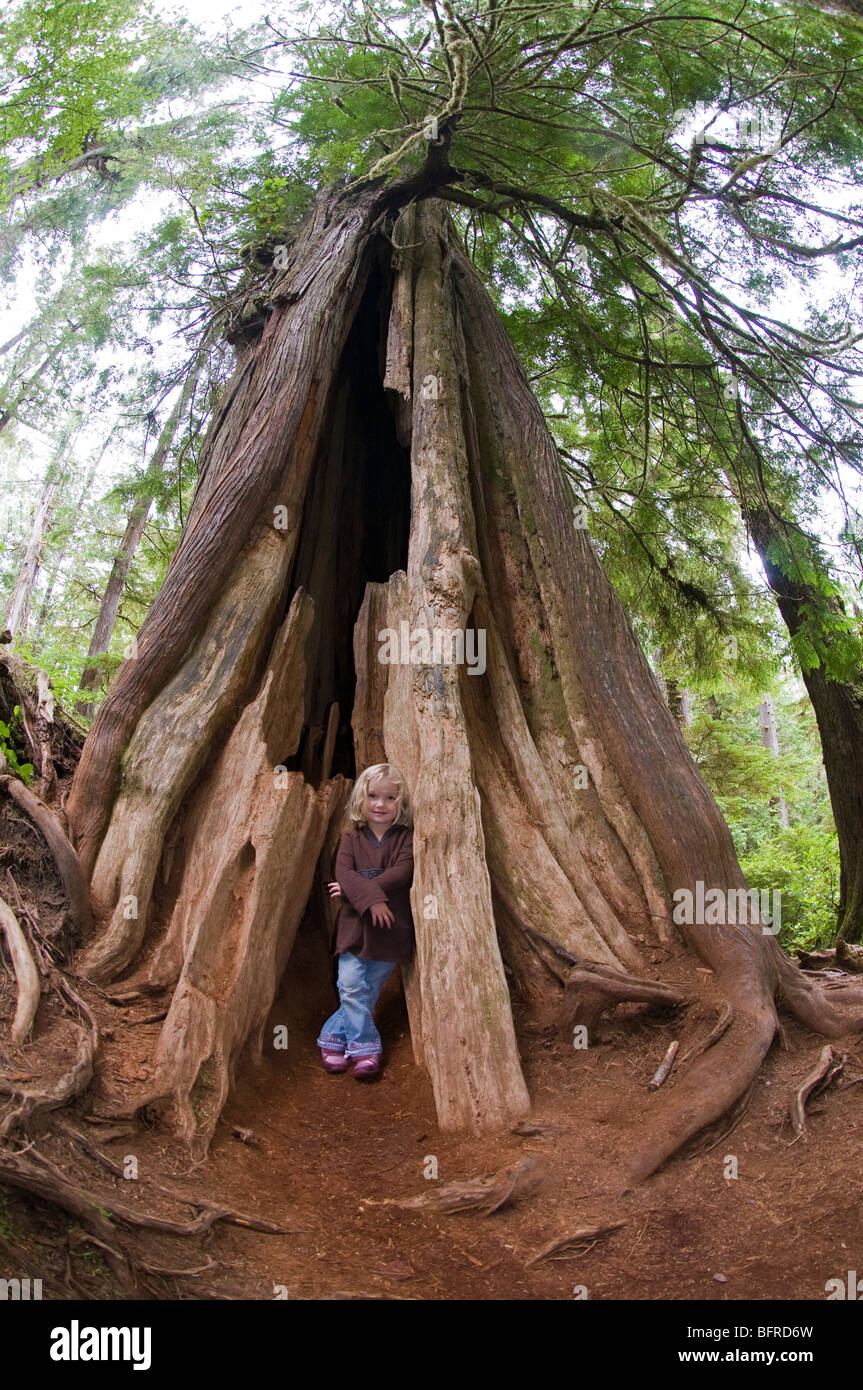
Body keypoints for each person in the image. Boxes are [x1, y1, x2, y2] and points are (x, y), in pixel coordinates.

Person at [316, 763, 414, 1080]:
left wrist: (358, 888)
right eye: (373, 795)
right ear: (362, 798)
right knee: (349, 985)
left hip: (390, 930)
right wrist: (371, 898)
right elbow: (343, 874)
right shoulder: (351, 840)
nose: (380, 804)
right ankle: (366, 1050)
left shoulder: (407, 839)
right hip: (354, 928)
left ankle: (332, 1039)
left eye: (390, 797)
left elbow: (402, 872)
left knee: (365, 991)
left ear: (401, 803)